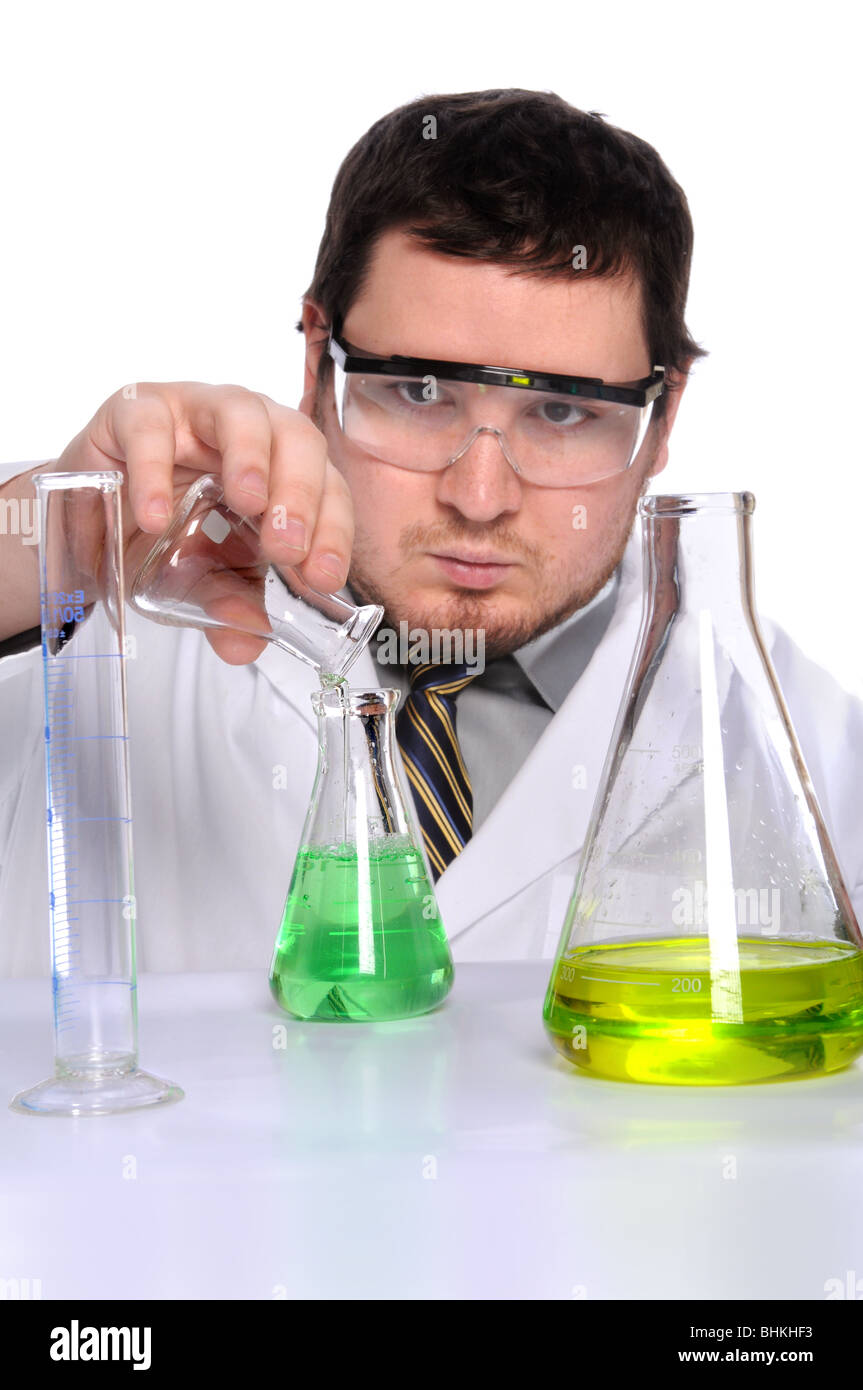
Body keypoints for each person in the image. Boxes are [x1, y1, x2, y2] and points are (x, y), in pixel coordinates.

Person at [1, 89, 861, 976]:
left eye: (564, 411)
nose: (480, 496)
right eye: (417, 392)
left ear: (664, 409)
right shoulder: (82, 610)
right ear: (314, 359)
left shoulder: (805, 748)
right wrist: (56, 539)